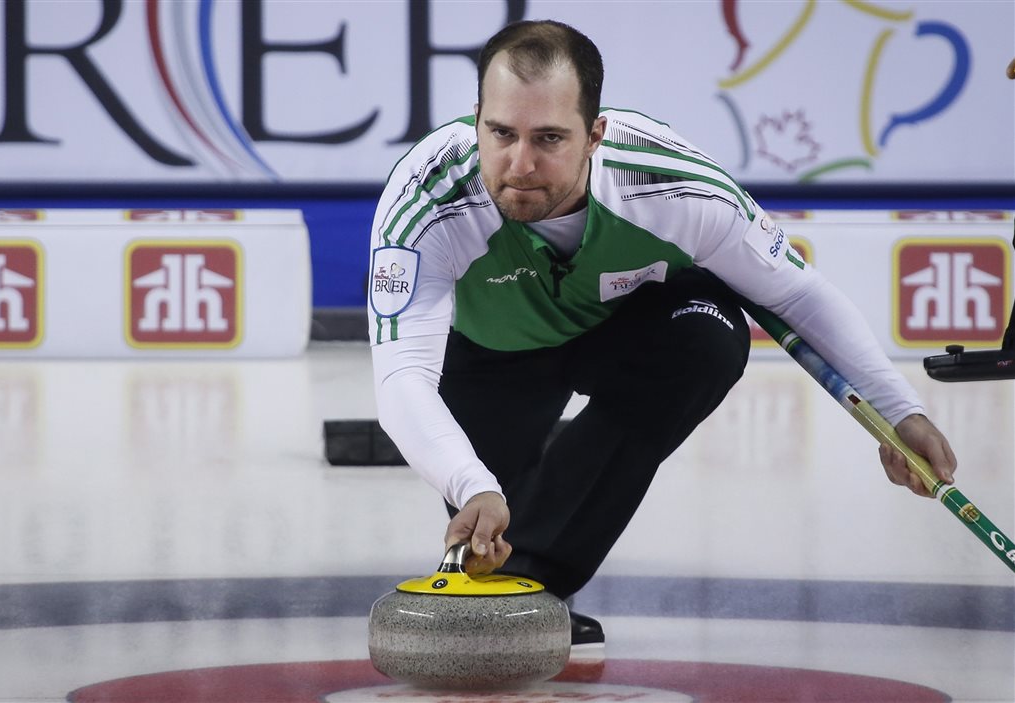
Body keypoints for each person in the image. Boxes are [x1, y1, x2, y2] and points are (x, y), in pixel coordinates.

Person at [366, 19, 958, 648]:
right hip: (491, 351)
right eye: (501, 133)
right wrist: (471, 484)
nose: (520, 164)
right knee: (486, 505)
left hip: (624, 332)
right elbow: (403, 378)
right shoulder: (428, 201)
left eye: (549, 139)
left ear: (594, 134)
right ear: (477, 116)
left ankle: (535, 583)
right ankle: (508, 555)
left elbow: (797, 293)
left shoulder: (673, 184)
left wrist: (901, 411)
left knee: (709, 338)